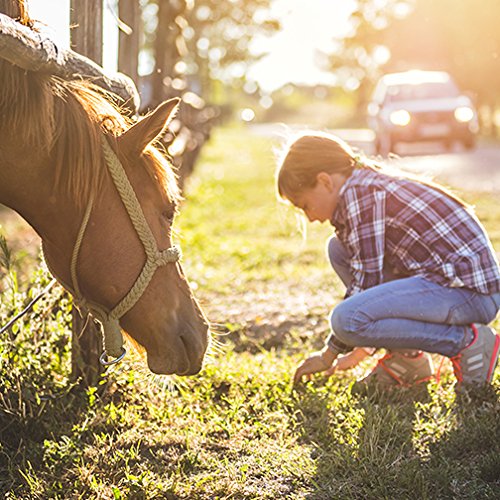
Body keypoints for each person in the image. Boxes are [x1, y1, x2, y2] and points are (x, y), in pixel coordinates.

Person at [276, 132, 500, 390]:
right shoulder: (361, 185)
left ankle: (467, 342)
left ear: (325, 181)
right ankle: (408, 359)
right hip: (449, 286)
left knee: (345, 320)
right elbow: (370, 282)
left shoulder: (360, 194)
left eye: (305, 205)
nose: (310, 218)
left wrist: (330, 354)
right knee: (339, 249)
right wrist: (363, 344)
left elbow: (366, 285)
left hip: (469, 293)